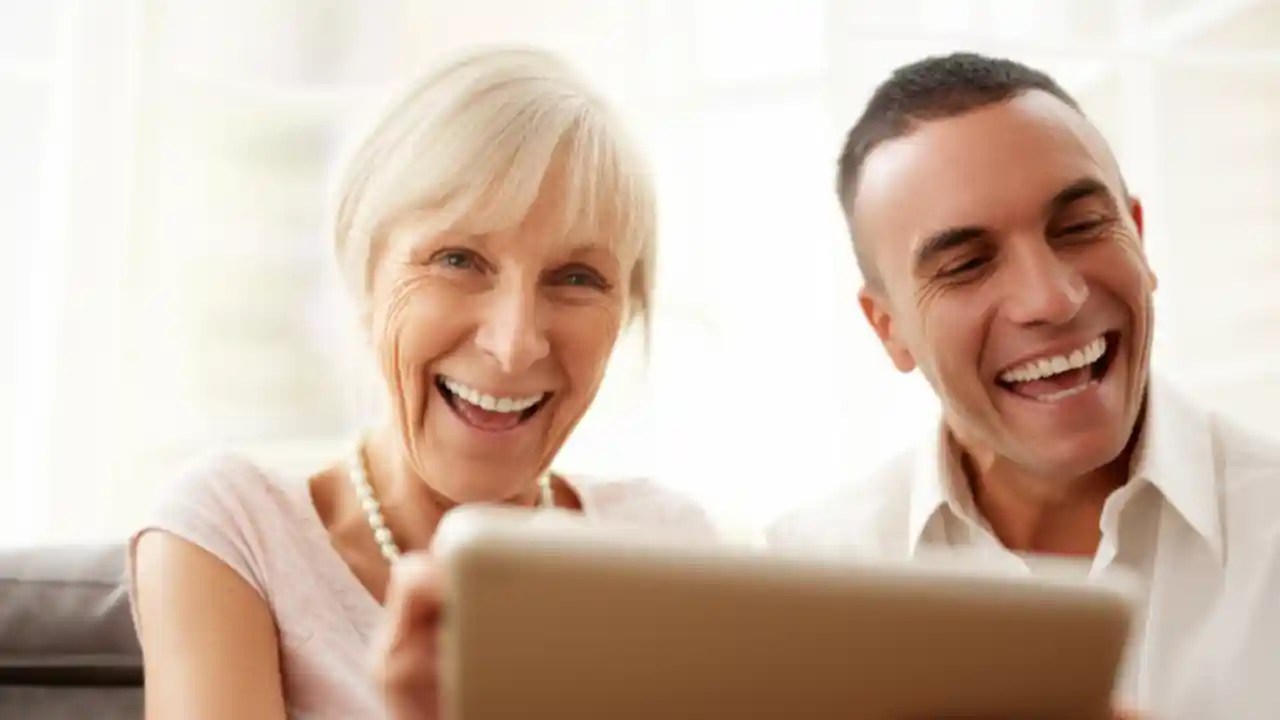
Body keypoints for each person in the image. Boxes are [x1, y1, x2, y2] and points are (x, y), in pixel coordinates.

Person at [128, 47, 716, 719]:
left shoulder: (667, 549)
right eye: (458, 260)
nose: (514, 342)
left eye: (577, 279)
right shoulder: (236, 532)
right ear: (367, 273)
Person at [767, 52, 1280, 716]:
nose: (1052, 298)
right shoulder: (814, 580)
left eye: (1080, 227)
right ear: (888, 326)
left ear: (1139, 238)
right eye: (967, 264)